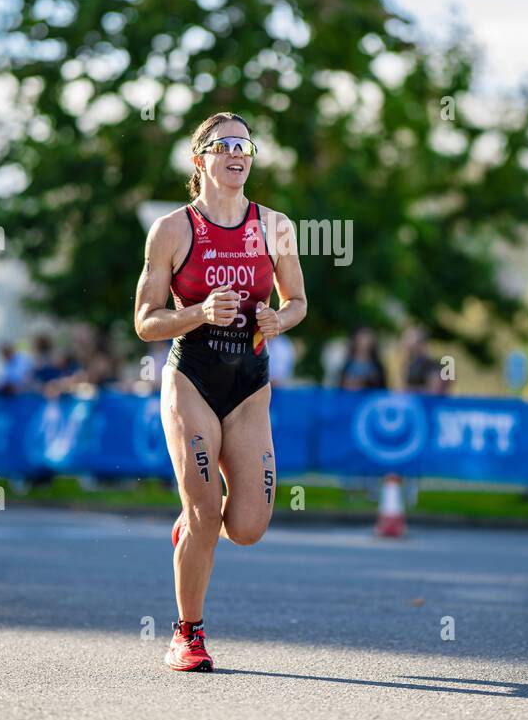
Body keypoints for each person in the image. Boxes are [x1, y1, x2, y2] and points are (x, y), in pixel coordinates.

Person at [134, 112, 307, 672]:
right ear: (200, 159)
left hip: (250, 385)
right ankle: (187, 633)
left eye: (245, 144)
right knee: (209, 514)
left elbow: (297, 301)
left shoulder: (276, 225)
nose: (238, 153)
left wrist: (280, 320)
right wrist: (198, 313)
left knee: (249, 528)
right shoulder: (171, 230)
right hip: (193, 380)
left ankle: (192, 523)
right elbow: (145, 321)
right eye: (224, 145)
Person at [338, 326, 386, 390]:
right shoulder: (347, 365)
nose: (365, 342)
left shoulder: (378, 366)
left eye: (367, 338)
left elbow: (382, 387)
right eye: (362, 338)